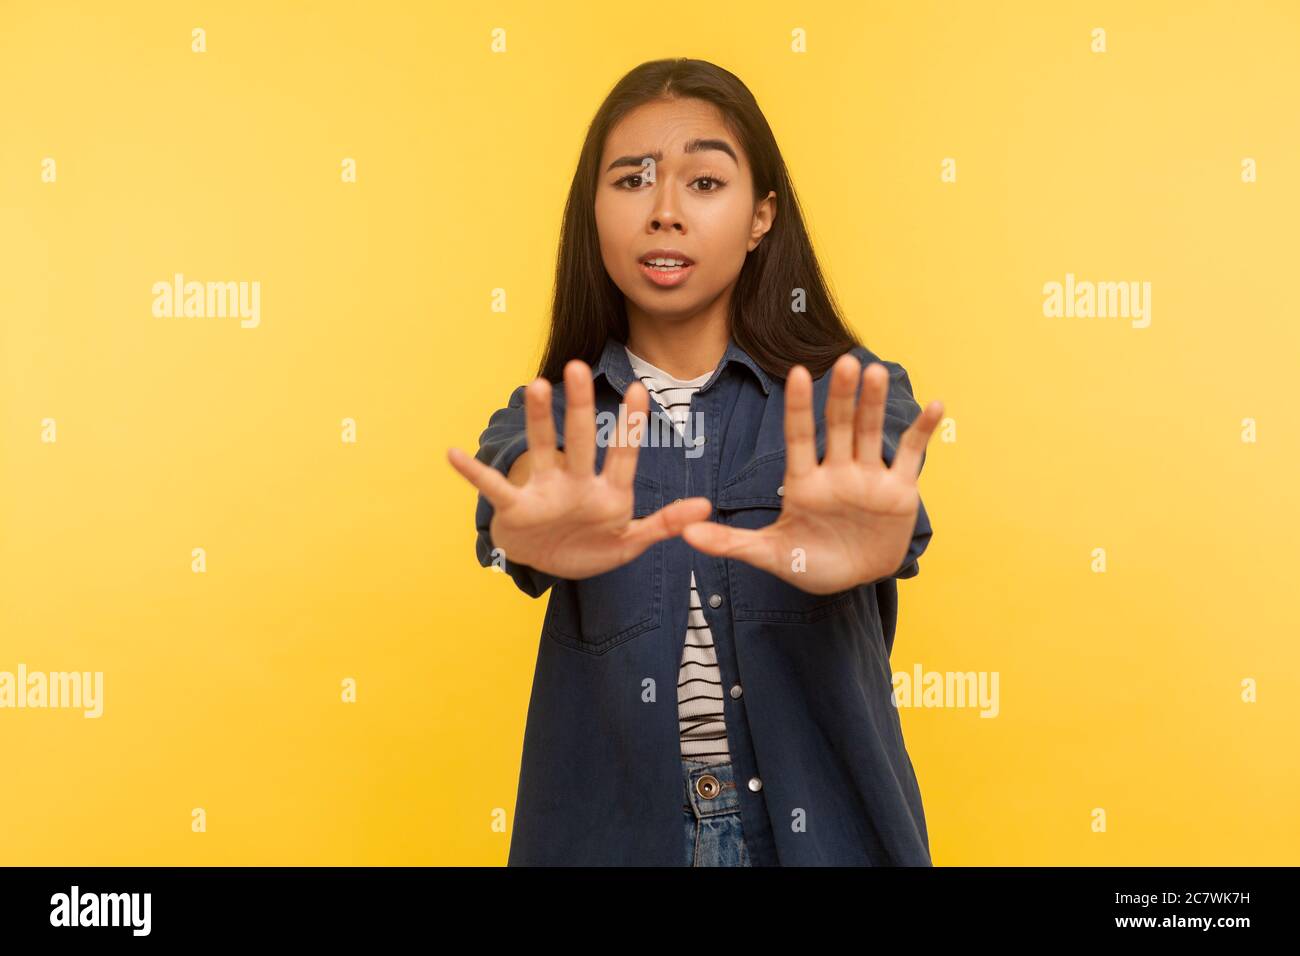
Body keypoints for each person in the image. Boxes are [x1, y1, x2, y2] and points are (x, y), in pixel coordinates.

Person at [446, 57, 942, 866]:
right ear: (592, 214)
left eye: (705, 184)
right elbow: (521, 489)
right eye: (633, 181)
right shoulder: (549, 416)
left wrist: (872, 534)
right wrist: (527, 519)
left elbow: (888, 487)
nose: (666, 213)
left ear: (761, 216)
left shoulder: (847, 396)